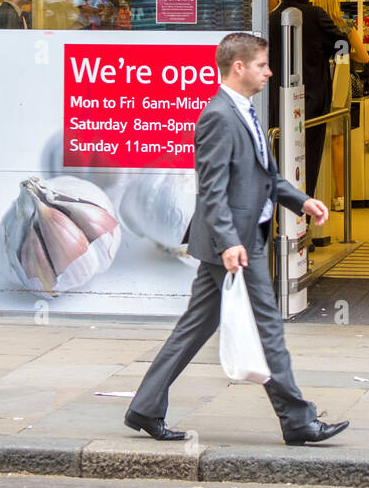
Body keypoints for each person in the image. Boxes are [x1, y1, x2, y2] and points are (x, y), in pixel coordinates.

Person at [125, 31, 349, 447]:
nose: (269, 72)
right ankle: (298, 421)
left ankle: (145, 406)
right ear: (239, 67)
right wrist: (230, 242)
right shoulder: (219, 116)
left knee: (195, 327)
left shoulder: (244, 110)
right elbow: (211, 188)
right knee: (268, 330)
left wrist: (302, 201)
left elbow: (264, 176)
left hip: (238, 241)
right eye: (263, 64)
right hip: (234, 245)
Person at [269, 0, 344, 194]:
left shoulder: (270, 19)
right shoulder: (315, 15)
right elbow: (342, 46)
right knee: (307, 163)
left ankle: (284, 219)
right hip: (311, 105)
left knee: (283, 162)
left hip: (277, 104)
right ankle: (301, 221)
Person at [310, 0, 369, 67]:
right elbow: (364, 58)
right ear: (336, 3)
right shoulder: (346, 25)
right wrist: (345, 54)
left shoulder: (310, 25)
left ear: (315, 1)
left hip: (317, 75)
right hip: (340, 76)